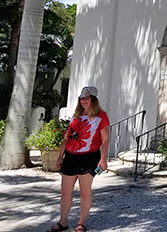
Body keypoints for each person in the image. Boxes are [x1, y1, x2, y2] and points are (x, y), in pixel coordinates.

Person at [47, 86, 110, 232]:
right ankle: (63, 221)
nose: (84, 101)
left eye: (87, 98)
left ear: (93, 99)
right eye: (82, 98)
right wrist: (60, 156)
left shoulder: (101, 115)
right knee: (65, 192)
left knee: (84, 191)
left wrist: (103, 159)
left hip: (89, 157)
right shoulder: (76, 115)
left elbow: (105, 139)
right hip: (71, 156)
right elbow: (67, 137)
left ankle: (82, 222)